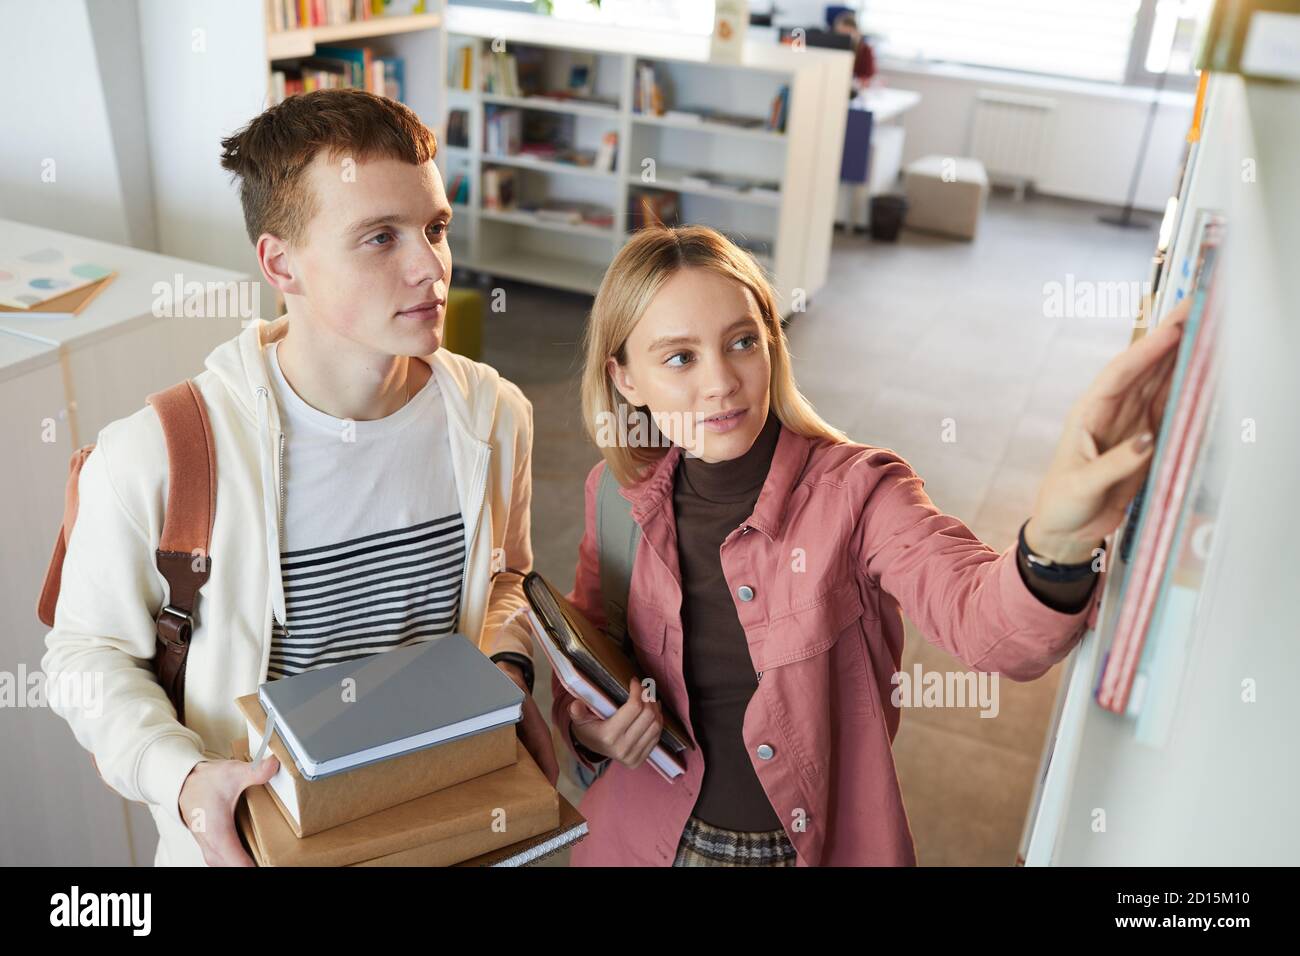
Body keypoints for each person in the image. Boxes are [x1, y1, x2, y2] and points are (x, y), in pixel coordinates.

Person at [552, 224, 1186, 866]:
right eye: (680, 357)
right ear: (625, 378)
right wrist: (593, 730)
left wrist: (1055, 541)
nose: (721, 382)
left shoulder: (860, 493)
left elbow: (986, 622)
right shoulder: (614, 495)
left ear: (771, 343)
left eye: (742, 342)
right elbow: (585, 663)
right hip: (637, 846)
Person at [42, 88, 556, 867]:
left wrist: (507, 670)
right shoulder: (159, 455)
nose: (431, 265)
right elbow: (84, 658)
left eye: (435, 228)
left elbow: (507, 578)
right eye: (380, 237)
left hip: (444, 827)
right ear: (282, 264)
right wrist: (179, 777)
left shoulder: (494, 417)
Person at [832, 10, 877, 93]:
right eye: (841, 35)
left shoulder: (865, 50)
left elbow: (868, 78)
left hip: (856, 91)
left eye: (848, 35)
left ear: (856, 33)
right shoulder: (832, 49)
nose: (844, 40)